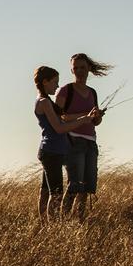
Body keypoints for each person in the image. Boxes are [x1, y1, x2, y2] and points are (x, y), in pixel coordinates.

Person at [34, 65, 102, 222]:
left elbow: (62, 120)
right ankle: (54, 227)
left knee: (46, 190)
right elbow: (59, 128)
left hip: (53, 150)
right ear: (45, 82)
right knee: (55, 193)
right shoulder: (44, 102)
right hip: (51, 151)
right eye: (55, 82)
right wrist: (83, 120)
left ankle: (45, 225)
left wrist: (87, 117)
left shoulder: (47, 101)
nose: (57, 86)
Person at [54, 53, 112, 222]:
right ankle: (62, 221)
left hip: (90, 142)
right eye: (75, 68)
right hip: (72, 141)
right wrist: (84, 116)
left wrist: (97, 117)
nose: (79, 71)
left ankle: (79, 220)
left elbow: (95, 122)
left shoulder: (92, 92)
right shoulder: (66, 90)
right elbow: (58, 117)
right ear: (71, 69)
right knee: (74, 185)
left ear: (88, 70)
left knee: (87, 187)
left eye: (82, 67)